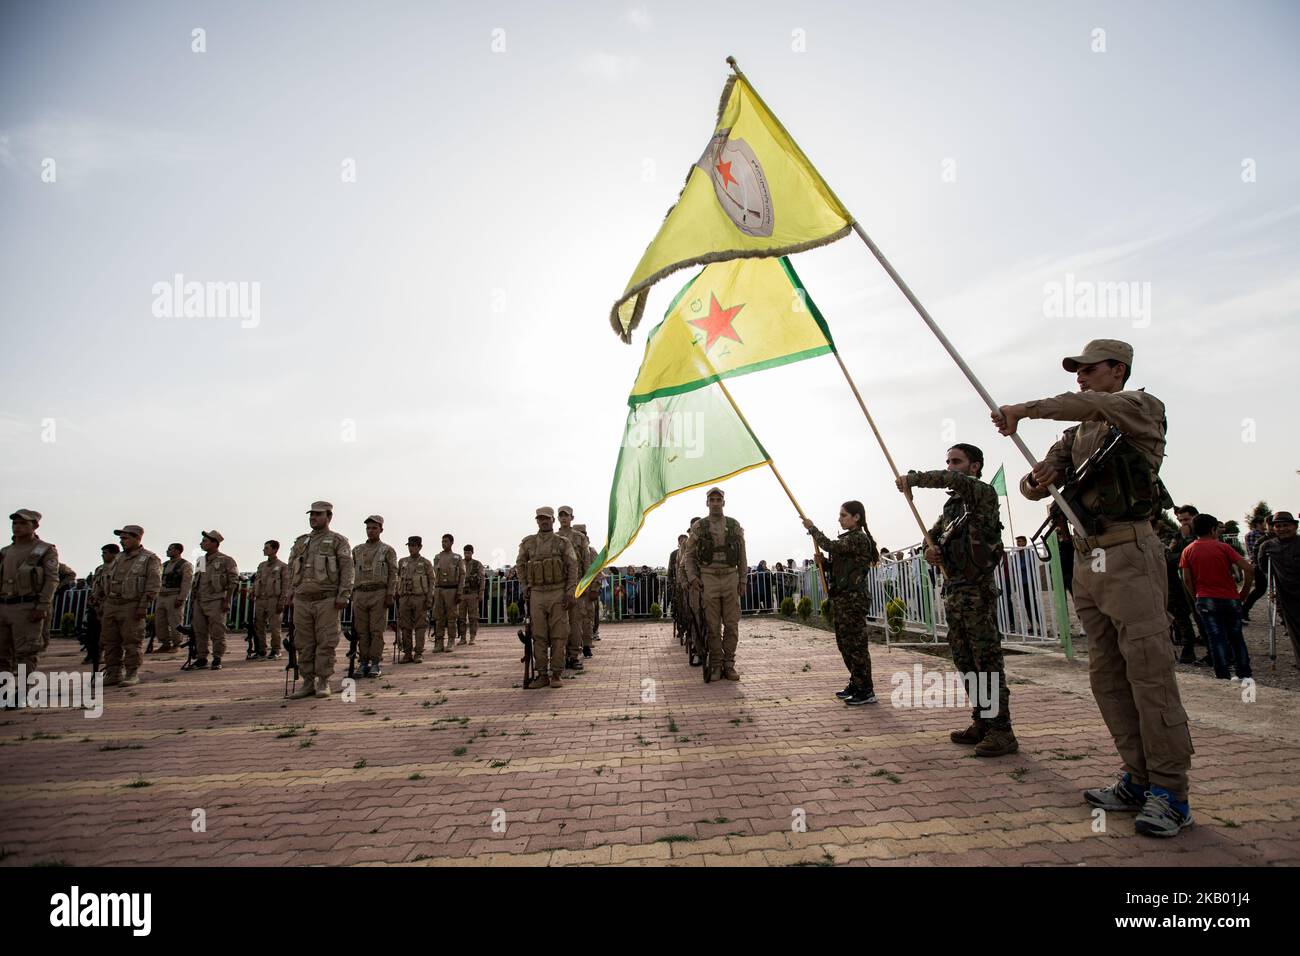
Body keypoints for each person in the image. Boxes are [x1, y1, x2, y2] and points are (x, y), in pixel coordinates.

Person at [995, 338, 1192, 837]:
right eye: (1077, 370)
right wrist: (1038, 481)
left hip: (1130, 552)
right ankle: (1137, 778)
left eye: (1089, 369)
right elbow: (1032, 480)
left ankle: (1171, 792)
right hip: (1088, 558)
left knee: (1149, 673)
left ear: (1117, 370)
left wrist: (1025, 409)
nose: (1080, 377)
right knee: (1107, 676)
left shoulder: (1140, 407)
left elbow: (1095, 404)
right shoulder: (1076, 434)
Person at [896, 444, 1017, 756]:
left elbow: (956, 482)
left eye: (956, 461)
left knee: (986, 661)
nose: (950, 467)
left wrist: (915, 479)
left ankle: (1002, 731)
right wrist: (930, 552)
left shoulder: (982, 494)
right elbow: (931, 539)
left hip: (977, 593)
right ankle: (982, 720)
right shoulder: (952, 509)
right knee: (965, 661)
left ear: (974, 466)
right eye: (947, 461)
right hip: (954, 593)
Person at [802, 501, 880, 706]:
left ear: (856, 517)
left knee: (856, 646)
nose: (840, 518)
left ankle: (866, 690)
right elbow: (841, 566)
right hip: (843, 598)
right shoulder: (849, 540)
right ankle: (856, 683)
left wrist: (812, 529)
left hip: (853, 599)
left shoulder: (859, 539)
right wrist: (824, 563)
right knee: (845, 645)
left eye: (844, 515)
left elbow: (830, 545)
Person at [286, 501, 355, 698]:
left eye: (318, 514)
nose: (313, 518)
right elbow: (291, 569)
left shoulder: (337, 541)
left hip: (327, 599)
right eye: (311, 515)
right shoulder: (301, 542)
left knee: (326, 641)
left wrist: (344, 594)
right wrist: (290, 592)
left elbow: (347, 569)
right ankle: (307, 682)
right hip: (302, 599)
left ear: (329, 517)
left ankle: (323, 681)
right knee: (303, 642)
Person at [682, 487, 747, 681]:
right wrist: (693, 578)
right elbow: (689, 556)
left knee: (731, 625)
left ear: (724, 503)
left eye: (719, 499)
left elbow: (742, 555)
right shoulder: (699, 527)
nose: (716, 503)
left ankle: (729, 664)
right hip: (708, 577)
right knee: (711, 625)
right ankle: (717, 665)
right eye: (712, 500)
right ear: (707, 503)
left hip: (730, 577)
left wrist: (743, 579)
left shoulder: (734, 525)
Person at [1179, 513, 1253, 682]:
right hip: (1230, 597)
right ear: (1213, 529)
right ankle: (1244, 673)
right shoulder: (1223, 547)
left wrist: (1196, 597)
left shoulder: (1188, 550)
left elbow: (1187, 579)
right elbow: (1248, 569)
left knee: (1215, 638)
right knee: (1236, 637)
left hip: (1205, 598)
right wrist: (1244, 592)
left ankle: (1222, 675)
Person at [515, 506, 579, 688]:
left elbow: (572, 566)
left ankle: (557, 674)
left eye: (547, 518)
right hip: (537, 593)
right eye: (540, 518)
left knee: (559, 635)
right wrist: (525, 585)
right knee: (539, 635)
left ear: (553, 520)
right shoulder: (528, 543)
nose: (543, 521)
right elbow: (520, 564)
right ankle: (542, 674)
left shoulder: (562, 542)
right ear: (536, 521)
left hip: (557, 591)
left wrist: (570, 591)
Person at [99, 524, 162, 686]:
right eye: (121, 538)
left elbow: (153, 583)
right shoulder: (118, 558)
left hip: (132, 605)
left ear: (137, 538)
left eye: (125, 538)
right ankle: (113, 673)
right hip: (112, 604)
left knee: (132, 640)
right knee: (110, 641)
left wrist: (143, 605)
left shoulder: (149, 558)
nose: (122, 541)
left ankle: (131, 673)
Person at [0, 509, 60, 676]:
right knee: (2, 655)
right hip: (3, 606)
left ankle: (24, 692)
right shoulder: (5, 551)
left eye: (23, 523)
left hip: (26, 607)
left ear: (35, 526)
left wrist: (43, 606)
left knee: (25, 653)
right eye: (15, 523)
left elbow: (52, 579)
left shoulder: (44, 550)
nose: (17, 527)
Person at [351, 516, 397, 676]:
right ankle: (363, 662)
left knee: (376, 631)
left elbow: (393, 573)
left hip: (379, 592)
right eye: (368, 528)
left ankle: (375, 663)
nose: (370, 531)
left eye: (374, 528)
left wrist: (390, 594)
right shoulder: (357, 550)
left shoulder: (387, 550)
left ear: (381, 530)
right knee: (362, 631)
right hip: (360, 593)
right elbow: (351, 571)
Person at [191, 530, 238, 671]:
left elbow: (233, 582)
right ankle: (201, 657)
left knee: (217, 630)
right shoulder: (201, 560)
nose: (202, 543)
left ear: (214, 543)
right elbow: (197, 580)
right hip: (200, 600)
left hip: (216, 599)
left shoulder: (226, 560)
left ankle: (217, 657)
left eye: (205, 541)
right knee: (199, 630)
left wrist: (227, 601)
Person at [1257, 512, 1300, 667]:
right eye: (1278, 526)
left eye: (1286, 525)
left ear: (1295, 526)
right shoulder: (1268, 546)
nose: (1282, 529)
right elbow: (1263, 567)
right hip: (1286, 594)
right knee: (1295, 630)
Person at [556, 507, 590, 669]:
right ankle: (559, 656)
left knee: (575, 623)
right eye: (561, 516)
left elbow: (586, 563)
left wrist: (586, 585)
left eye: (566, 516)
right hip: (558, 586)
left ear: (572, 518)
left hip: (576, 586)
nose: (563, 518)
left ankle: (574, 656)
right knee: (559, 624)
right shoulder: (554, 538)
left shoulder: (579, 538)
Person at [397, 536, 434, 662]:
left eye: (414, 546)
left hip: (419, 597)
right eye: (409, 546)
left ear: (420, 547)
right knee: (405, 626)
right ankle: (407, 653)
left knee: (420, 626)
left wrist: (429, 598)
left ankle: (418, 652)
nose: (411, 548)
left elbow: (431, 581)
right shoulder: (402, 562)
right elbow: (398, 578)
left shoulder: (425, 563)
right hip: (405, 597)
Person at [252, 540, 289, 660]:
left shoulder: (282, 566)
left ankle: (275, 649)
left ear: (274, 550)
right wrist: (252, 592)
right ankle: (261, 649)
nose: (264, 550)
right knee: (259, 626)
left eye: (267, 548)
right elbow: (257, 580)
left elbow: (285, 586)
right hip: (260, 599)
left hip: (274, 599)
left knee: (274, 627)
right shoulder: (262, 565)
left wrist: (282, 602)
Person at [154, 543, 192, 654]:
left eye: (170, 549)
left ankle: (176, 644)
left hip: (174, 595)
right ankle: (165, 643)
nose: (167, 551)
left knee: (175, 621)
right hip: (162, 595)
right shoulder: (164, 565)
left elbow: (186, 582)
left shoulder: (185, 565)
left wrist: (181, 598)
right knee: (160, 621)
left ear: (178, 551)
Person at [431, 533, 462, 652]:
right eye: (442, 541)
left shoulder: (457, 558)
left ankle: (451, 641)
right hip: (439, 589)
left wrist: (459, 591)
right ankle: (439, 642)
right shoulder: (437, 557)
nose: (444, 543)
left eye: (446, 541)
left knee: (451, 617)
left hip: (452, 589)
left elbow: (462, 576)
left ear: (451, 543)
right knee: (439, 617)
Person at [1242, 517, 1273, 622]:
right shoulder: (1255, 535)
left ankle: (1244, 609)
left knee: (1260, 589)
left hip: (1260, 565)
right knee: (1260, 589)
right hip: (1259, 565)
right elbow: (1255, 553)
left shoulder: (1260, 535)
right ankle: (1244, 609)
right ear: (1258, 524)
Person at [457, 544, 484, 646]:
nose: (466, 554)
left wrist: (481, 592)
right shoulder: (460, 563)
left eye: (468, 552)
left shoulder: (477, 564)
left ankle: (472, 637)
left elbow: (482, 579)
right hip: (462, 594)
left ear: (472, 553)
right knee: (461, 617)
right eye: (465, 552)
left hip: (473, 593)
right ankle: (463, 638)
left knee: (473, 617)